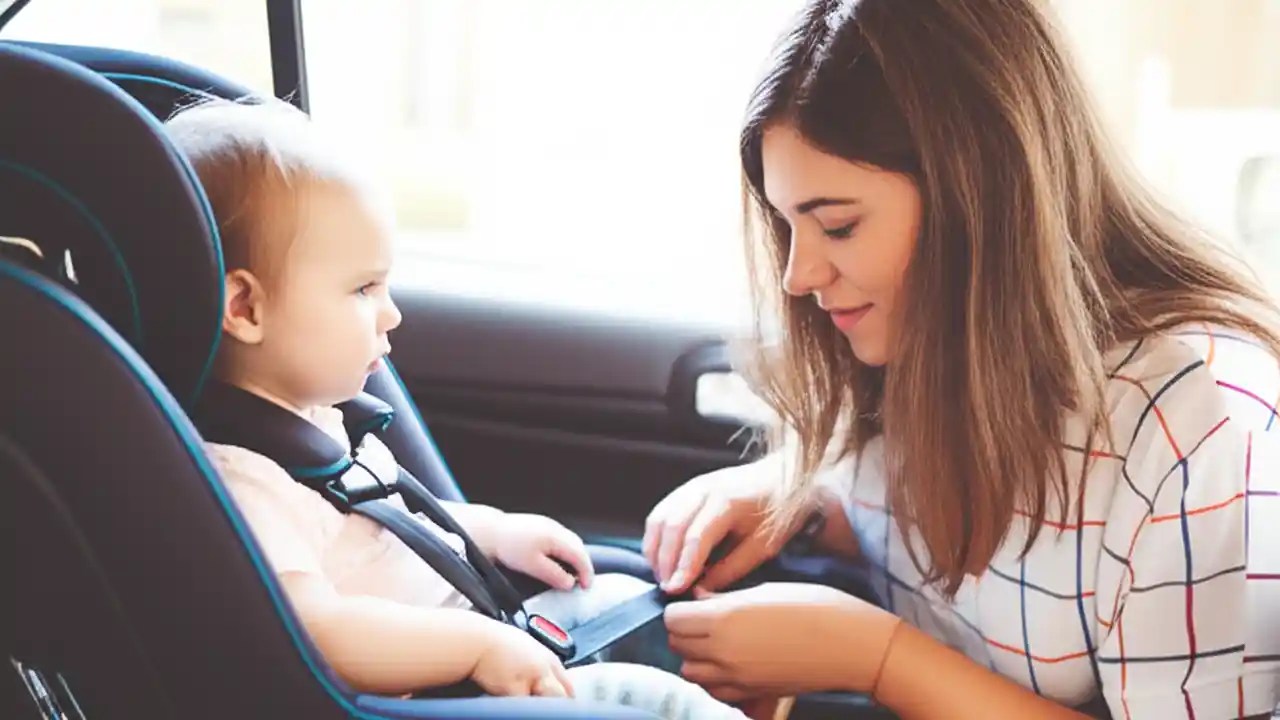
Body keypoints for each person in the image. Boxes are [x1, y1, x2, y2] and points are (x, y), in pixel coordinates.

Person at [643, 1, 1280, 718]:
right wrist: (799, 499)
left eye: (838, 225)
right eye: (787, 224)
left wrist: (875, 656)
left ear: (975, 194)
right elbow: (939, 538)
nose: (798, 275)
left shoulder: (1187, 420)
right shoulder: (919, 343)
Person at [164, 98, 747, 720]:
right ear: (245, 309)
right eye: (363, 289)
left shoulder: (318, 421)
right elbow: (316, 631)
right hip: (439, 691)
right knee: (672, 708)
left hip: (483, 633)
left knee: (642, 609)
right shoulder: (243, 480)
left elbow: (385, 520)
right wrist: (473, 647)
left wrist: (493, 532)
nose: (392, 314)